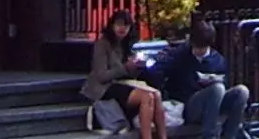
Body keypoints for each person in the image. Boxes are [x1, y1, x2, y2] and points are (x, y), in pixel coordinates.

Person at [80, 10, 166, 139]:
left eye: (126, 26)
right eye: (119, 24)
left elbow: (129, 75)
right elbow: (102, 76)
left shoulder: (126, 45)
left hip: (123, 83)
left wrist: (137, 67)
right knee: (146, 97)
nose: (122, 29)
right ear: (112, 25)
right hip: (104, 87)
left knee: (156, 95)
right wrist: (125, 67)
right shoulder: (102, 44)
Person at [154, 22, 248, 139]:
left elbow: (225, 83)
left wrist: (215, 80)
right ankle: (209, 136)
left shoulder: (218, 60)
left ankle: (229, 136)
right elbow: (158, 72)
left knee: (241, 91)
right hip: (188, 105)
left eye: (202, 48)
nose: (199, 51)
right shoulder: (179, 54)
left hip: (214, 102)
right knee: (217, 89)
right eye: (196, 47)